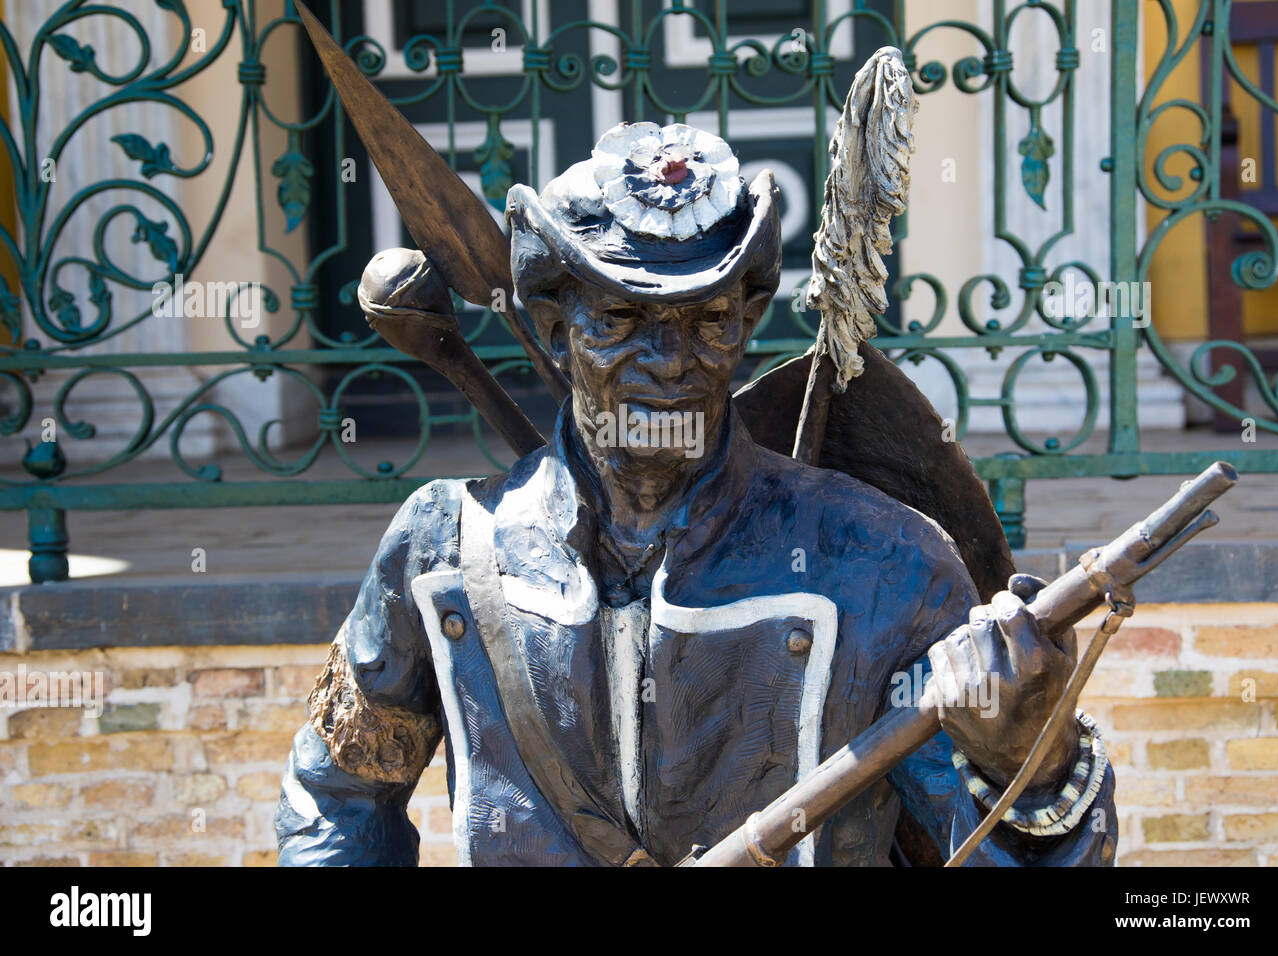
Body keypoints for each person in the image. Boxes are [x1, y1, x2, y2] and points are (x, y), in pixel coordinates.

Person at [275, 122, 1116, 866]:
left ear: (746, 324)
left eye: (706, 322)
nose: (672, 361)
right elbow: (336, 799)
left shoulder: (885, 563)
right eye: (621, 321)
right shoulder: (439, 550)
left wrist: (1031, 766)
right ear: (555, 327)